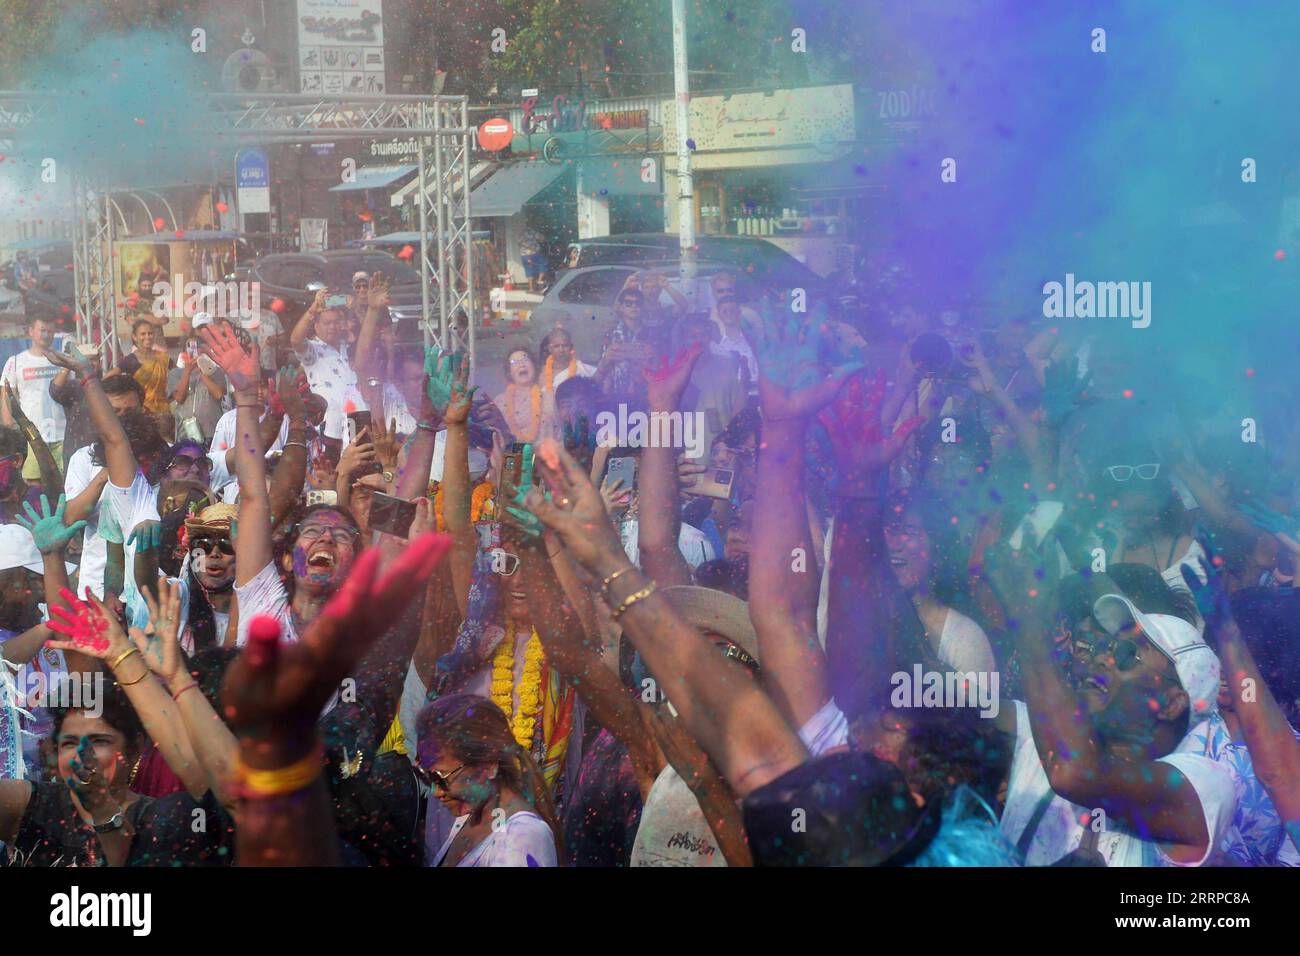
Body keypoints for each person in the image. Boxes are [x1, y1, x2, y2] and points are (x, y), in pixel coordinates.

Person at [416, 694, 562, 866]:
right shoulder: (471, 816)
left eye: (440, 778)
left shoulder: (522, 838)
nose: (435, 791)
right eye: (425, 776)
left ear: (488, 766)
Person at [290, 289, 367, 442]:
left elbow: (368, 334)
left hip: (360, 419)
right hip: (332, 427)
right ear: (316, 326)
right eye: (327, 323)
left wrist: (353, 305)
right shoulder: (312, 350)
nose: (332, 326)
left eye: (336, 322)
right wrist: (312, 310)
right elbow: (295, 340)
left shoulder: (351, 348)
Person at [1, 315, 65, 489]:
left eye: (50, 331)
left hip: (62, 433)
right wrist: (10, 425)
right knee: (34, 484)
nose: (46, 335)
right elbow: (6, 393)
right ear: (31, 332)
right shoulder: (15, 362)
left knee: (64, 482)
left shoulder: (63, 360)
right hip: (32, 435)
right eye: (42, 330)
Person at [115, 318, 173, 439]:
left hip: (163, 414)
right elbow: (109, 378)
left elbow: (179, 375)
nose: (147, 337)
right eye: (143, 334)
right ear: (135, 337)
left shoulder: (163, 358)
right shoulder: (130, 361)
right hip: (142, 414)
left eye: (150, 333)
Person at [169, 334, 227, 445]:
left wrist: (202, 370)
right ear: (184, 352)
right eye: (189, 346)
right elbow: (179, 398)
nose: (193, 350)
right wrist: (187, 371)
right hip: (186, 433)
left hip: (211, 432)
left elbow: (219, 394)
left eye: (197, 346)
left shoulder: (215, 371)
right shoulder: (175, 373)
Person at [494, 348, 553, 444]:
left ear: (534, 366)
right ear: (510, 372)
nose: (521, 365)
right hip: (511, 456)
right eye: (514, 362)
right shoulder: (500, 401)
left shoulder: (547, 396)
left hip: (544, 455)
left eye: (525, 360)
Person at [538, 326, 595, 393]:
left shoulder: (584, 369)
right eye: (556, 346)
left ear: (571, 347)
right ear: (550, 349)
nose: (561, 350)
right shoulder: (542, 374)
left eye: (565, 346)